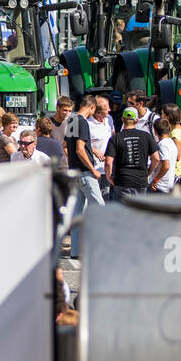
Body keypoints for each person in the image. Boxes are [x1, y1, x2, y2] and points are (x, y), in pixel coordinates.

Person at [63, 96, 105, 260]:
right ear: (92, 107)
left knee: (78, 212)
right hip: (85, 172)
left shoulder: (72, 119)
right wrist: (92, 168)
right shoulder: (83, 122)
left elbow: (66, 146)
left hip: (75, 171)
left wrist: (72, 161)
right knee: (101, 207)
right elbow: (80, 149)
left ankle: (76, 250)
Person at [149, 118, 178, 193]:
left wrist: (155, 180)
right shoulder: (171, 142)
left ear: (155, 131)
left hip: (160, 187)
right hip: (168, 186)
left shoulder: (162, 145)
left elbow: (166, 166)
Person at [87, 94, 115, 161]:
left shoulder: (109, 118)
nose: (110, 110)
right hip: (95, 165)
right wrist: (94, 150)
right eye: (106, 109)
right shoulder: (87, 123)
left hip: (109, 164)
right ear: (98, 113)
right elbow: (80, 144)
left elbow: (113, 136)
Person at [163, 103, 181, 177]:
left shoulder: (175, 134)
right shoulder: (178, 130)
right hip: (179, 171)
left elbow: (178, 156)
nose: (161, 116)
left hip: (177, 172)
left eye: (162, 114)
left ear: (168, 116)